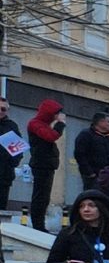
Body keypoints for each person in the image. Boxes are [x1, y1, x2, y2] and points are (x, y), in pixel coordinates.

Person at [26, 98, 64, 230]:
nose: (57, 117)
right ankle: (38, 225)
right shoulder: (35, 124)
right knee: (40, 197)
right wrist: (60, 125)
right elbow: (51, 136)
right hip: (41, 164)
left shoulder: (43, 125)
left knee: (44, 197)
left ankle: (40, 224)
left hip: (47, 165)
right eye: (55, 114)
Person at [72, 110, 109, 192]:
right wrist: (90, 173)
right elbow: (80, 155)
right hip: (94, 177)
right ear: (100, 122)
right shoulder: (86, 135)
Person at [0, 95, 19, 216]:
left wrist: (10, 165)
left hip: (3, 176)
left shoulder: (10, 126)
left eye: (3, 109)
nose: (0, 112)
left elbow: (17, 152)